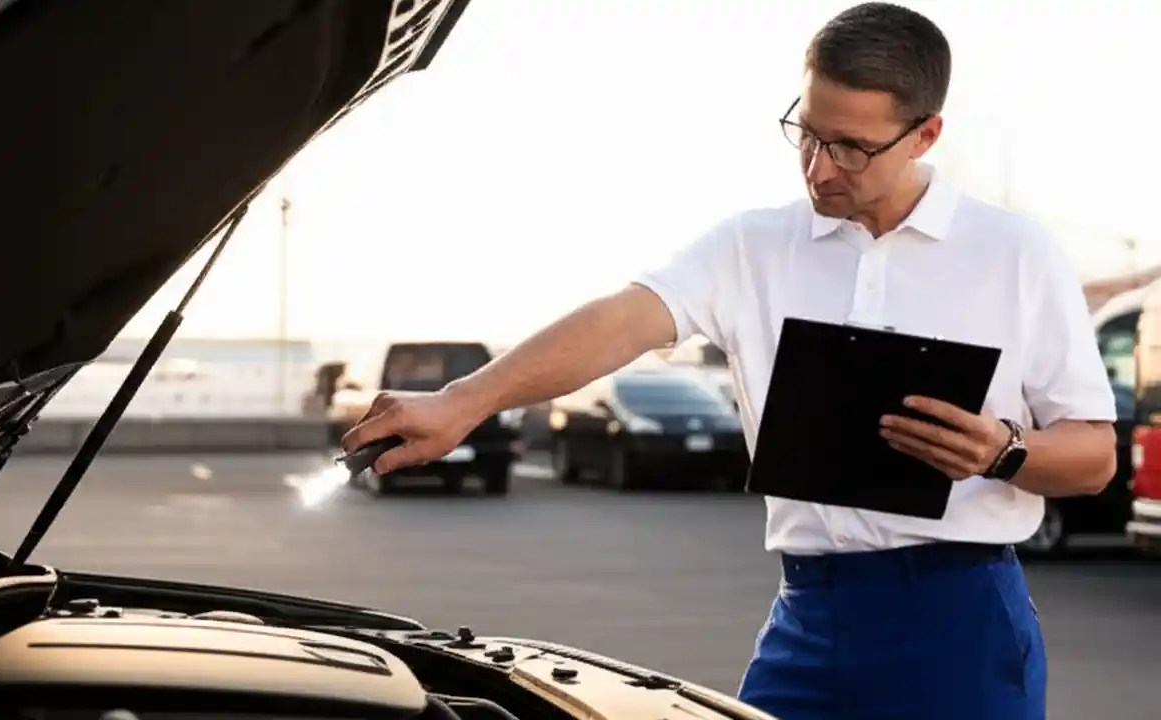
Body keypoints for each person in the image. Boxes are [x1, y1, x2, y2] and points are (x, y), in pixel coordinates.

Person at [341, 3, 1117, 718]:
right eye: (807, 134)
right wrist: (464, 401)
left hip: (960, 623)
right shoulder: (753, 245)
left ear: (926, 135)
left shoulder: (1015, 254)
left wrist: (1003, 451)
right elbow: (620, 321)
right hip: (808, 618)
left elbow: (1093, 458)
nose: (818, 168)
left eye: (850, 147)